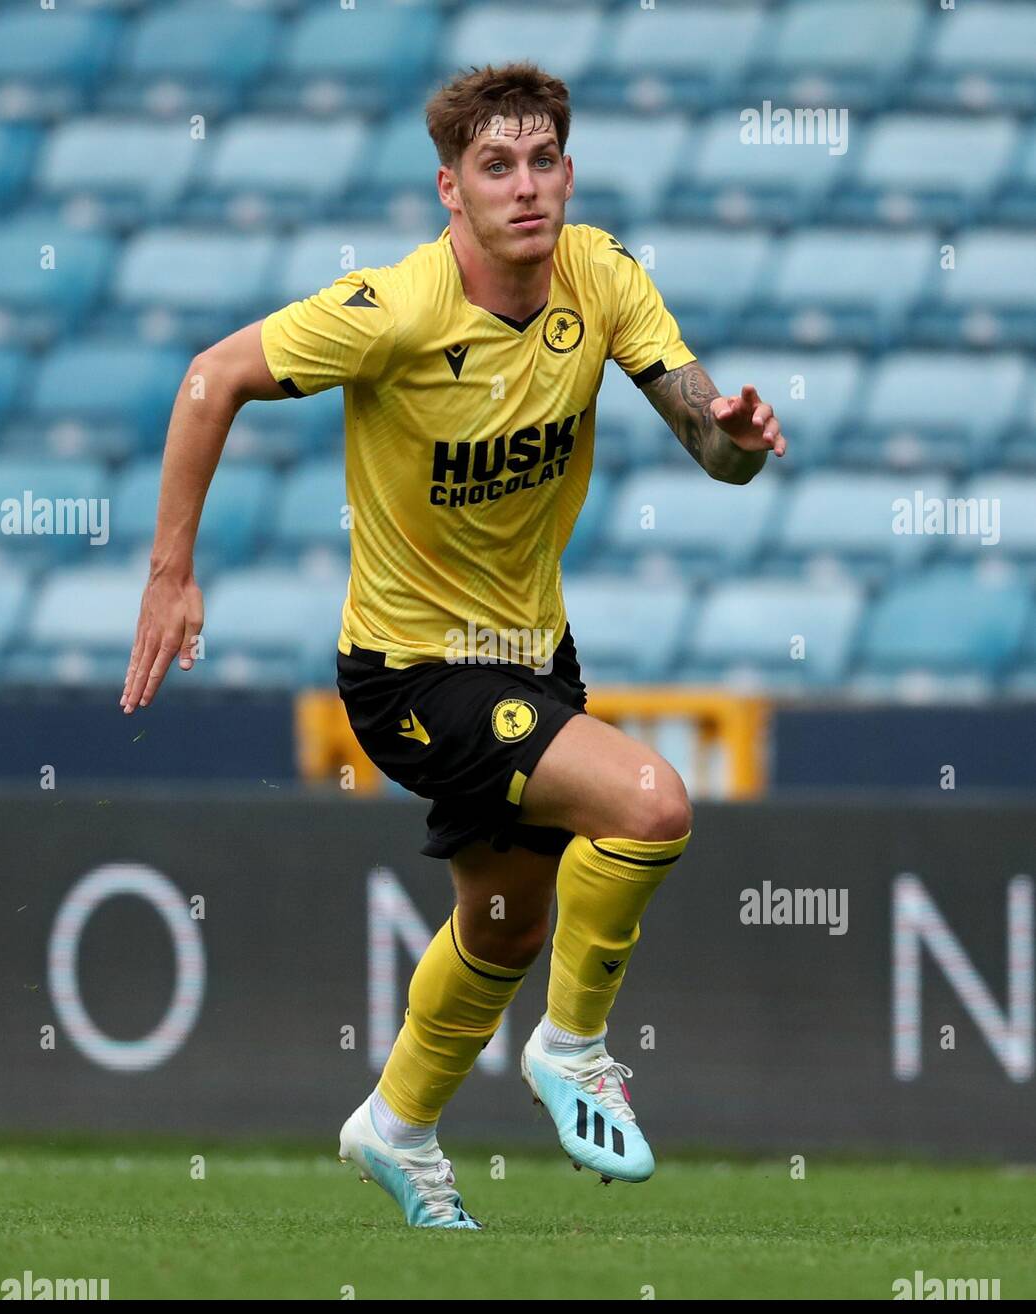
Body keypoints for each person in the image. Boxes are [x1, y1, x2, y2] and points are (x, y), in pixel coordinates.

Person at [121, 61, 786, 1230]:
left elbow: (712, 452)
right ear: (451, 189)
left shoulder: (607, 275)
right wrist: (172, 574)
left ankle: (395, 1125)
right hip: (412, 671)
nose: (525, 187)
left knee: (507, 923)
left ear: (567, 173)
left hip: (533, 654)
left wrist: (734, 437)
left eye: (542, 161)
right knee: (651, 804)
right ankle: (572, 1048)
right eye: (496, 166)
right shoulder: (392, 309)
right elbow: (209, 376)